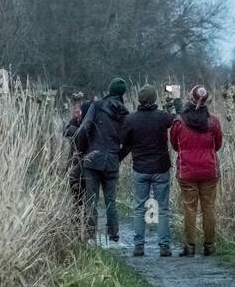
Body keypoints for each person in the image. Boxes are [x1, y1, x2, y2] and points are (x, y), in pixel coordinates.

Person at [120, 85, 177, 257]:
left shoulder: (131, 119)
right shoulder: (162, 117)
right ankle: (164, 246)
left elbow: (123, 139)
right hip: (160, 167)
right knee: (163, 208)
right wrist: (174, 94)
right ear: (154, 100)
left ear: (139, 99)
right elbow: (179, 117)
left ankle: (139, 246)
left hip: (140, 168)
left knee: (139, 208)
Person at [74, 78, 130, 246]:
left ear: (110, 89)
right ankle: (113, 237)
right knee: (111, 201)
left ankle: (91, 237)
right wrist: (117, 156)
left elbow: (84, 128)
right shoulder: (125, 114)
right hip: (112, 160)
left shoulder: (96, 106)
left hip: (92, 158)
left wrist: (82, 151)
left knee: (91, 199)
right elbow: (129, 142)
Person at [170, 84, 223, 256]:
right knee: (209, 208)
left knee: (189, 208)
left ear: (189, 99)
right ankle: (209, 245)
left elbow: (175, 146)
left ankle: (189, 246)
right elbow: (218, 145)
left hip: (187, 172)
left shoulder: (179, 122)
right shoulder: (213, 122)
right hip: (209, 170)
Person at [62, 94, 89, 236]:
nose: (76, 114)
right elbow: (67, 132)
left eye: (79, 111)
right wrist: (74, 121)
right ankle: (78, 227)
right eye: (75, 111)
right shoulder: (72, 127)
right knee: (78, 200)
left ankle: (85, 228)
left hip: (84, 168)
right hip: (75, 167)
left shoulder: (87, 126)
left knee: (85, 200)